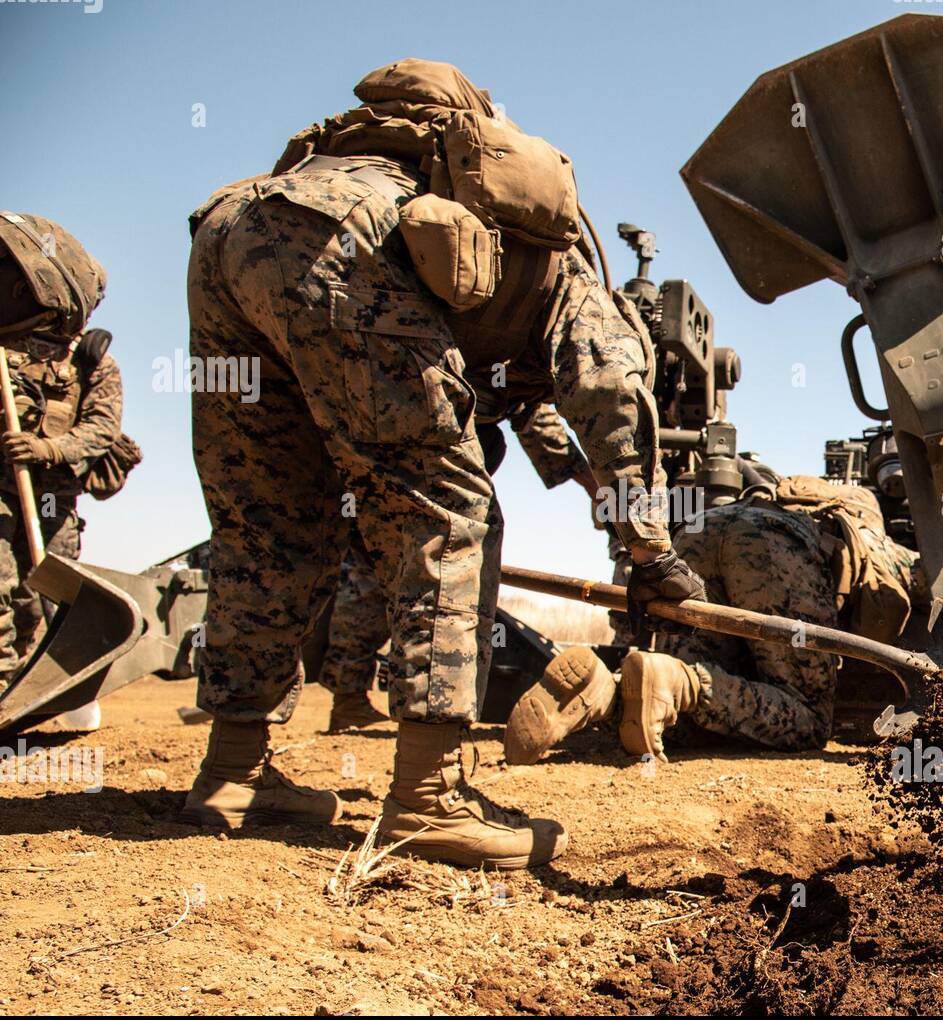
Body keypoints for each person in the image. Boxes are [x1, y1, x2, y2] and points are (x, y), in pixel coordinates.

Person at [182, 59, 702, 869]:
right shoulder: (564, 270)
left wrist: (598, 506)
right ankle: (426, 803)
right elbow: (610, 392)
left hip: (226, 233)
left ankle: (232, 772)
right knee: (452, 509)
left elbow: (545, 423)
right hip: (345, 250)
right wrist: (653, 550)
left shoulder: (341, 169)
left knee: (270, 520)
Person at [506, 476, 921, 762]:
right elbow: (921, 590)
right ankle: (679, 682)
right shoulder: (876, 537)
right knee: (808, 722)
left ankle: (604, 692)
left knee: (687, 718)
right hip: (772, 548)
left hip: (701, 529)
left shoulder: (784, 497)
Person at [319, 401, 595, 733]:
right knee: (388, 565)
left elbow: (531, 413)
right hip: (398, 440)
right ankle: (380, 709)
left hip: (422, 440)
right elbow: (535, 417)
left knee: (403, 563)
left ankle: (400, 709)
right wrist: (595, 487)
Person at [0, 214, 122, 688]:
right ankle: (6, 689)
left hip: (53, 502)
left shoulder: (92, 360)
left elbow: (102, 430)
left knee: (55, 601)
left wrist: (46, 449)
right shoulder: (9, 343)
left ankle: (64, 689)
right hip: (3, 492)